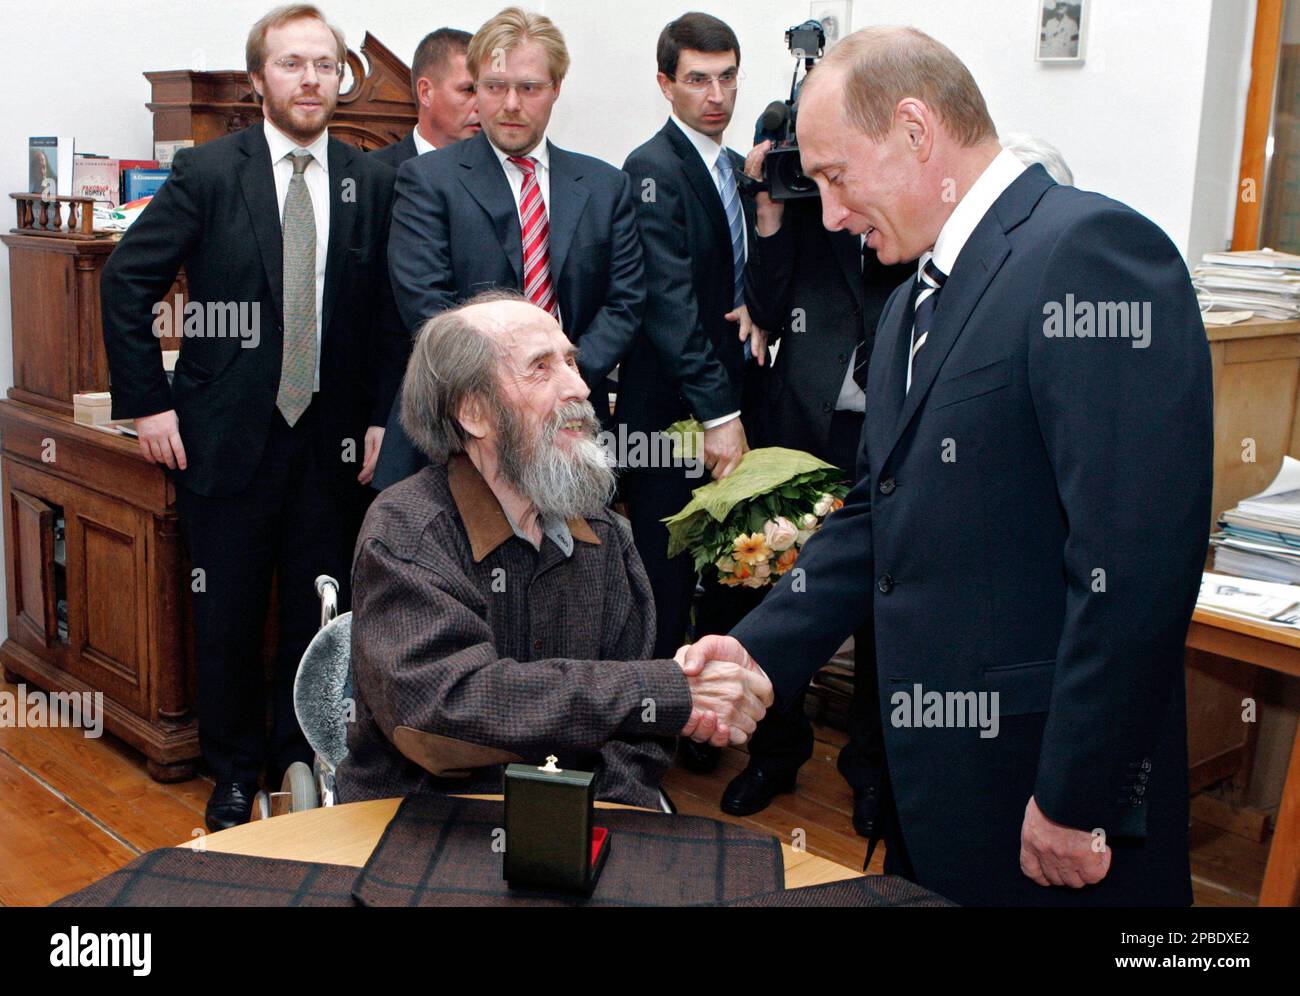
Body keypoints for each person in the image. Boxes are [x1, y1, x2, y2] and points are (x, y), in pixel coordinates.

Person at [684, 26, 1212, 906]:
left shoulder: (1091, 258)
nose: (835, 213)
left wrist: (1079, 798)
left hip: (1043, 793)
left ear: (916, 131)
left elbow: (1136, 568)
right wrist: (756, 654)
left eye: (837, 179)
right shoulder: (909, 305)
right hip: (931, 789)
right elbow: (873, 514)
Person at [99, 3, 407, 831]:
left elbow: (387, 315)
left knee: (319, 615)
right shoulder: (208, 172)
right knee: (227, 615)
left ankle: (299, 758)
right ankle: (233, 774)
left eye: (325, 65)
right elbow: (127, 282)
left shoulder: (369, 180)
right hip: (224, 438)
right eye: (293, 64)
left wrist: (382, 418)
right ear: (257, 78)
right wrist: (147, 402)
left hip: (333, 448)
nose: (311, 80)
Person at [337, 292, 773, 809]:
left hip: (575, 823)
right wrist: (655, 690)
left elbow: (635, 744)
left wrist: (606, 822)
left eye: (571, 360)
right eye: (541, 369)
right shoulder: (408, 531)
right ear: (475, 413)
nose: (580, 387)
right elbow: (443, 711)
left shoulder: (605, 535)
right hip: (423, 824)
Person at [716, 131, 912, 822]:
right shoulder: (806, 207)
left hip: (888, 431)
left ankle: (870, 772)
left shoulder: (915, 214)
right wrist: (768, 214)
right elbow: (764, 310)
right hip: (799, 426)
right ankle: (774, 757)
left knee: (881, 604)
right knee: (782, 591)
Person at [374, 6, 645, 489]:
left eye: (529, 87)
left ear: (556, 88)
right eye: (495, 86)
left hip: (570, 435)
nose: (510, 104)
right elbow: (427, 307)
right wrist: (513, 384)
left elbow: (625, 302)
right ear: (476, 87)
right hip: (460, 437)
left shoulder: (606, 186)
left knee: (578, 560)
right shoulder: (428, 181)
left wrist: (557, 378)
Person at [619, 12, 758, 681]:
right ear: (665, 84)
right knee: (665, 580)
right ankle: (649, 730)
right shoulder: (651, 168)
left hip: (733, 398)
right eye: (698, 79)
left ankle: (706, 715)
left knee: (735, 566)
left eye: (728, 77)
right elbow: (669, 307)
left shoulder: (736, 169)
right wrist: (719, 416)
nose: (717, 95)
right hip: (670, 416)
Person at [371, 27, 478, 168]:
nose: (482, 105)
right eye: (469, 90)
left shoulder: (501, 170)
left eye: (487, 91)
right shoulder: (371, 173)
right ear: (426, 92)